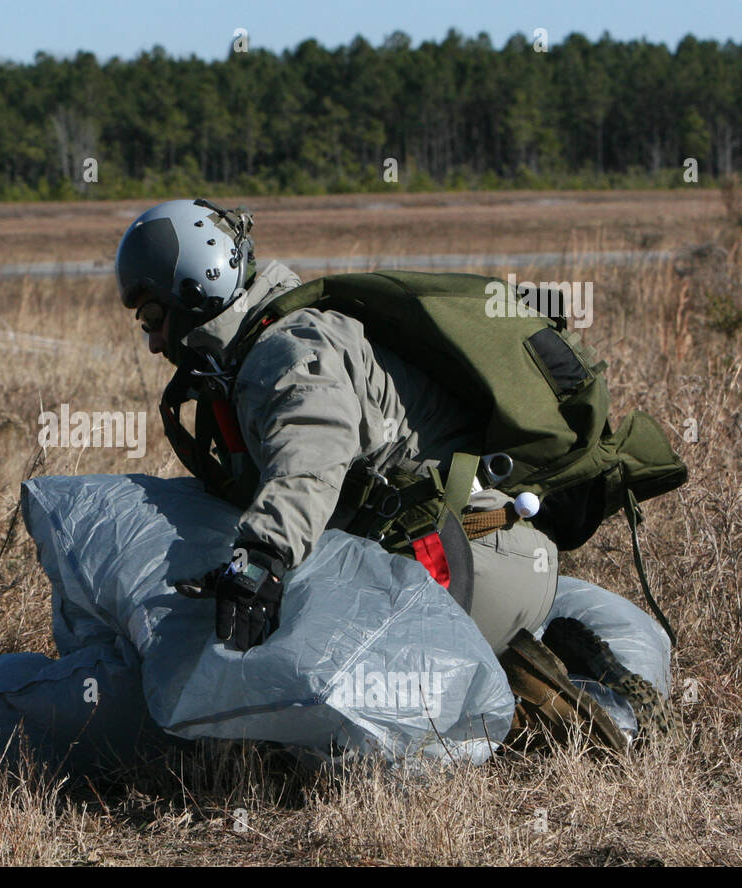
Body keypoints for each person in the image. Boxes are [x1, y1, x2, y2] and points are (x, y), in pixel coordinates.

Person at [116, 198, 560, 658]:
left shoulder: (289, 351)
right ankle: (538, 670)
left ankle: (546, 697)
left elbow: (311, 452)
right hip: (470, 554)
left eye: (153, 319)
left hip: (460, 557)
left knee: (310, 692)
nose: (152, 343)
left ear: (196, 290)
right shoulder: (251, 357)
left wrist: (262, 558)